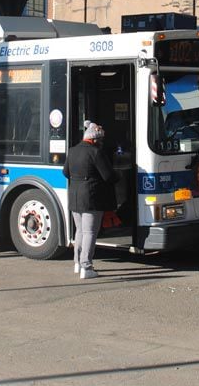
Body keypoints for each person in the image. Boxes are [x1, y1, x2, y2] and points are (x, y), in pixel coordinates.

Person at [63, 120, 118, 279]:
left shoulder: (72, 151)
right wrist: (120, 175)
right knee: (89, 233)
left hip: (74, 197)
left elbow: (65, 173)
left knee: (80, 231)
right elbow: (108, 176)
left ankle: (77, 263)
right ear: (95, 139)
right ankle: (86, 267)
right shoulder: (96, 152)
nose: (102, 143)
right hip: (91, 197)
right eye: (100, 140)